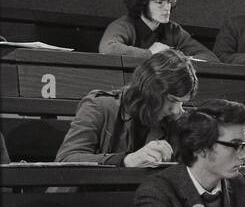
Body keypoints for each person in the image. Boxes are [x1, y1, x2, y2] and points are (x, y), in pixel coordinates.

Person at [57, 49, 198, 166]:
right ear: (151, 91)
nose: (176, 110)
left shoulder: (174, 121)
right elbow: (66, 159)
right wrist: (127, 160)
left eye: (181, 102)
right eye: (171, 100)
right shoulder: (100, 106)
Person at [98, 0, 218, 61]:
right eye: (160, 2)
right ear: (143, 2)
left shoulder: (173, 30)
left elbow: (210, 57)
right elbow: (108, 48)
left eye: (169, 2)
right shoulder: (124, 25)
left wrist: (179, 59)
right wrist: (150, 53)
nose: (167, 8)